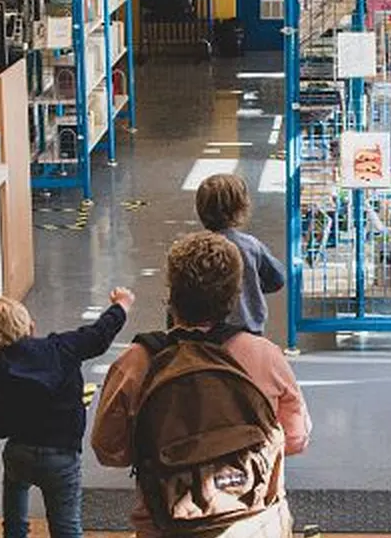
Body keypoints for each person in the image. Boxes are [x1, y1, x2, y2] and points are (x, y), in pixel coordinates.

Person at [92, 231, 311, 538]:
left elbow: (108, 450)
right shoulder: (266, 357)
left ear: (172, 293)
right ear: (233, 297)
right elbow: (296, 439)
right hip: (252, 524)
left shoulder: (137, 361)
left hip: (166, 526)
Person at [0, 290, 135, 538]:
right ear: (31, 327)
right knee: (66, 527)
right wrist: (120, 306)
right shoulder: (61, 347)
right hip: (61, 458)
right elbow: (99, 336)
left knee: (15, 513)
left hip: (20, 455)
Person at [194, 173, 286, 334]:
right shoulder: (250, 246)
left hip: (207, 336)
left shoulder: (195, 249)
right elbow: (277, 279)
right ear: (241, 208)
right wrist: (251, 284)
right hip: (248, 330)